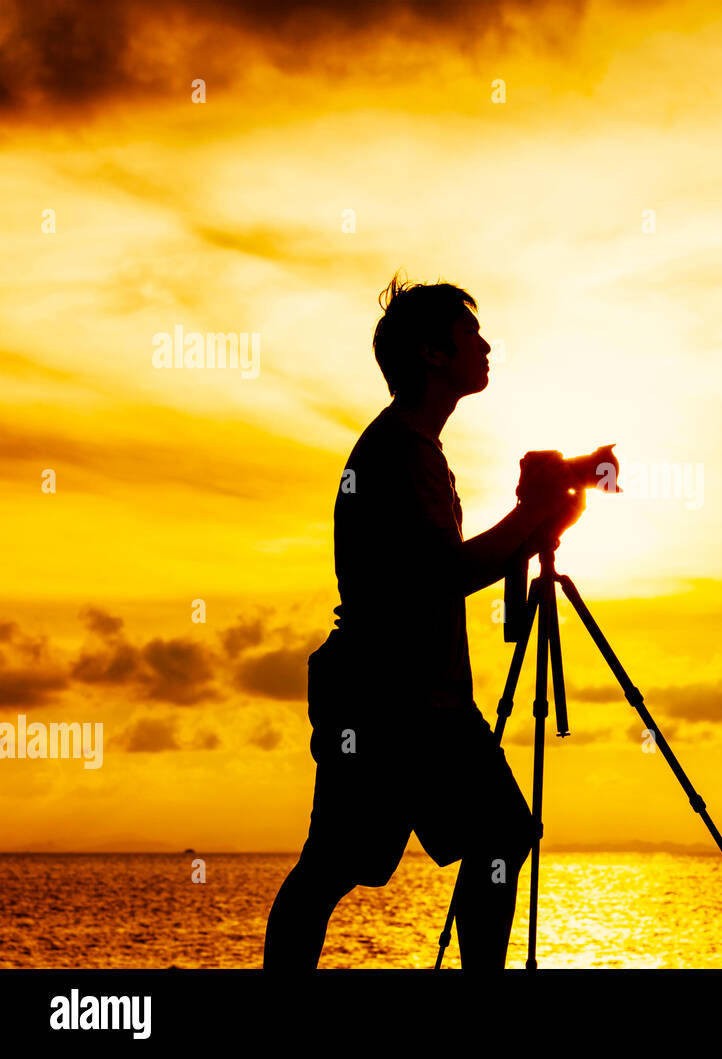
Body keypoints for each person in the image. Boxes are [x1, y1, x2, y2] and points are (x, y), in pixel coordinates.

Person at [264, 273, 584, 969]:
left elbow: (443, 572)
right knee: (361, 861)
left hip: (404, 698)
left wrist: (535, 523)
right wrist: (533, 516)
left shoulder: (411, 448)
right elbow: (445, 573)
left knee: (349, 863)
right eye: (469, 333)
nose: (485, 344)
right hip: (396, 702)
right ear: (432, 353)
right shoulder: (399, 453)